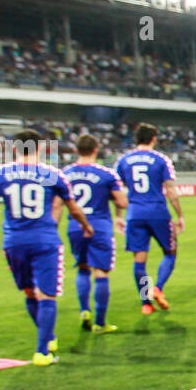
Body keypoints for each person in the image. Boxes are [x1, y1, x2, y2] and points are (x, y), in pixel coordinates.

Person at [0, 130, 93, 365]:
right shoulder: (52, 174)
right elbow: (72, 207)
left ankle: (48, 337)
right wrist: (86, 226)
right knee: (47, 294)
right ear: (40, 148)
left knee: (30, 292)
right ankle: (42, 351)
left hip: (14, 241)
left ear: (13, 149)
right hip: (45, 240)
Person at [62, 133, 128, 333]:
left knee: (82, 268)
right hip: (99, 226)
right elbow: (122, 202)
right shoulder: (107, 174)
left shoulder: (65, 173)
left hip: (75, 226)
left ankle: (84, 310)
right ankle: (100, 322)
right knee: (101, 272)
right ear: (96, 149)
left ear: (76, 150)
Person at [116, 123, 184, 314]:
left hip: (135, 214)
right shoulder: (161, 160)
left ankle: (146, 303)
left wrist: (118, 216)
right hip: (158, 213)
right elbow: (171, 190)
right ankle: (158, 287)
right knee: (170, 252)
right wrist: (179, 214)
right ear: (153, 139)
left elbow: (118, 191)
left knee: (139, 260)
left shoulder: (123, 161)